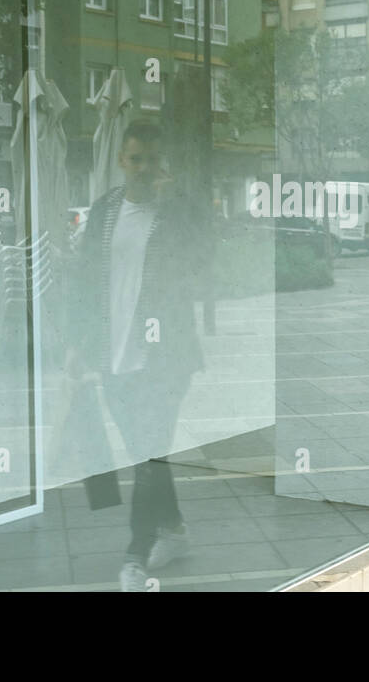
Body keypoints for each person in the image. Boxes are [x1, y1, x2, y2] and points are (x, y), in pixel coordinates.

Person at [69, 120, 208, 592]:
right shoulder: (105, 210)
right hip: (114, 356)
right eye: (137, 159)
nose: (146, 168)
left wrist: (175, 205)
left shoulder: (177, 211)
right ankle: (175, 531)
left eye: (154, 159)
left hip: (166, 356)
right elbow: (85, 281)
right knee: (147, 453)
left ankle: (135, 559)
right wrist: (77, 345)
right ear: (122, 161)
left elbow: (202, 263)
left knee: (149, 453)